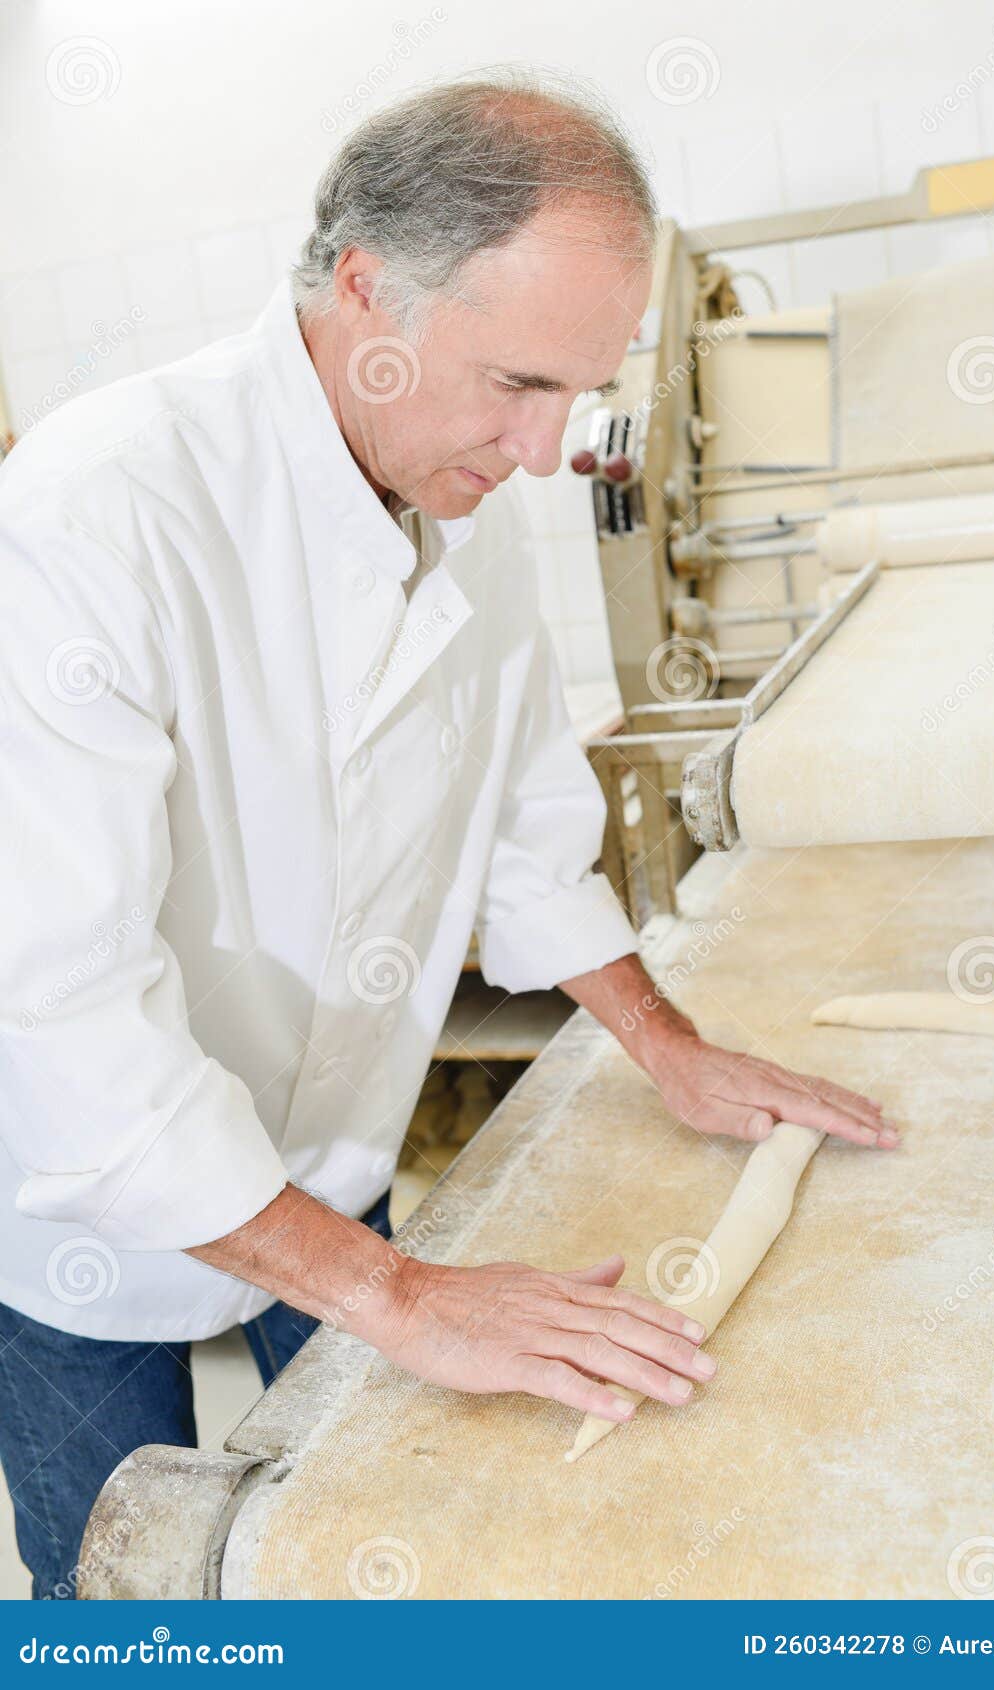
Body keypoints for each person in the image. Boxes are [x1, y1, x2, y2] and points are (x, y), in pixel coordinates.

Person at [0, 69, 896, 1599]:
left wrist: (668, 1043)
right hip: (88, 1221)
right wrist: (405, 1298)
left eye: (578, 394)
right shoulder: (92, 518)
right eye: (519, 385)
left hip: (331, 1155)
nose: (545, 454)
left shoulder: (459, 504)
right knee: (124, 1593)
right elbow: (58, 1013)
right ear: (367, 291)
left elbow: (527, 831)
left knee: (357, 1552)